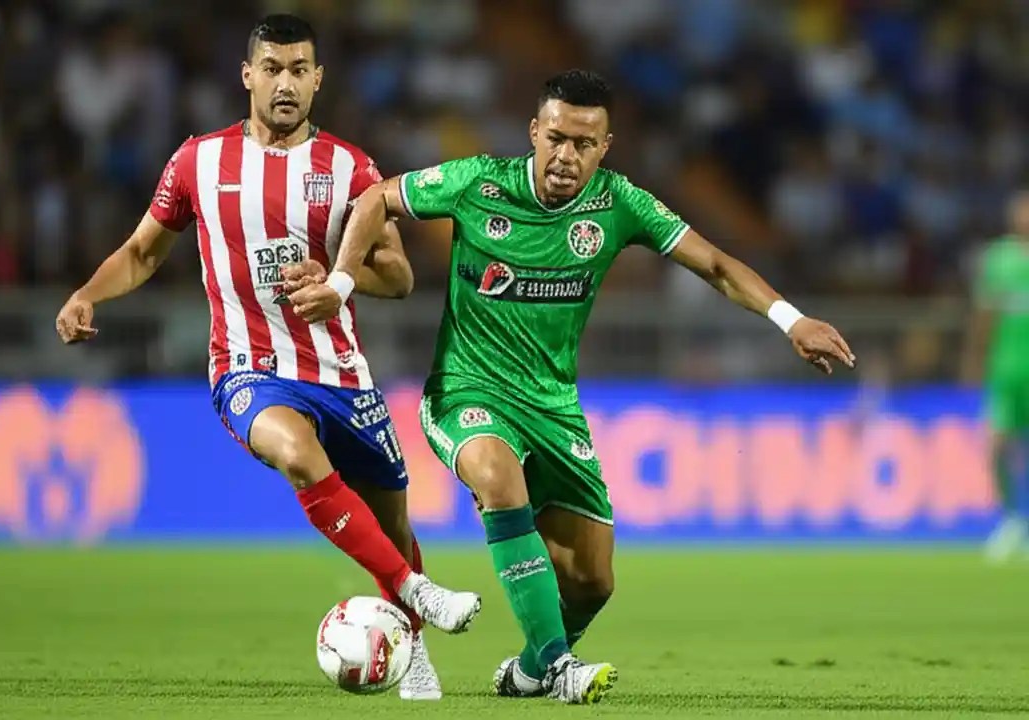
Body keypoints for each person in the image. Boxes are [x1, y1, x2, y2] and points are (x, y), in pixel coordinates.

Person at [287, 69, 855, 704]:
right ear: (535, 131)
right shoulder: (477, 181)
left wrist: (791, 318)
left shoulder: (618, 203)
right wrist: (340, 282)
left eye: (585, 144)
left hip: (554, 407)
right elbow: (375, 200)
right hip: (466, 392)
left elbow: (716, 264)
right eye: (556, 138)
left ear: (605, 147)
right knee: (500, 481)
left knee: (592, 580)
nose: (567, 156)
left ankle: (529, 669)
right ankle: (559, 668)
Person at [54, 14, 480, 700]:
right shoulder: (198, 161)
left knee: (392, 523)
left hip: (342, 375)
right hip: (246, 369)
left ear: (318, 79)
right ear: (247, 75)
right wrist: (86, 296)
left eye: (299, 70)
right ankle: (418, 593)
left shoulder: (350, 168)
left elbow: (398, 276)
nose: (286, 83)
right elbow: (141, 252)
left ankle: (412, 642)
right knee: (295, 453)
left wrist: (336, 278)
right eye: (272, 69)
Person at [963, 190, 1029, 563]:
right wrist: (974, 360)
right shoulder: (999, 259)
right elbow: (984, 317)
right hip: (1007, 371)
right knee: (997, 445)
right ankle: (1011, 521)